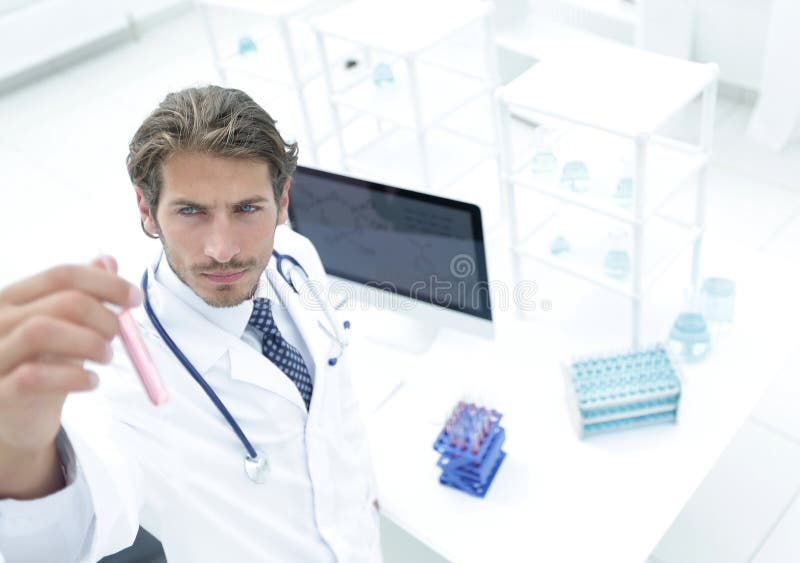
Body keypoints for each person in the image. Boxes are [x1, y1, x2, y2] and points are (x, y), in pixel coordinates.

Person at [0, 86, 381, 562]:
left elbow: (335, 396)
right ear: (146, 210)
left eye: (246, 209)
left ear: (282, 201)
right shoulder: (124, 372)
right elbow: (62, 539)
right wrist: (17, 448)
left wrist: (359, 488)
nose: (222, 249)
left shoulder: (296, 258)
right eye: (190, 212)